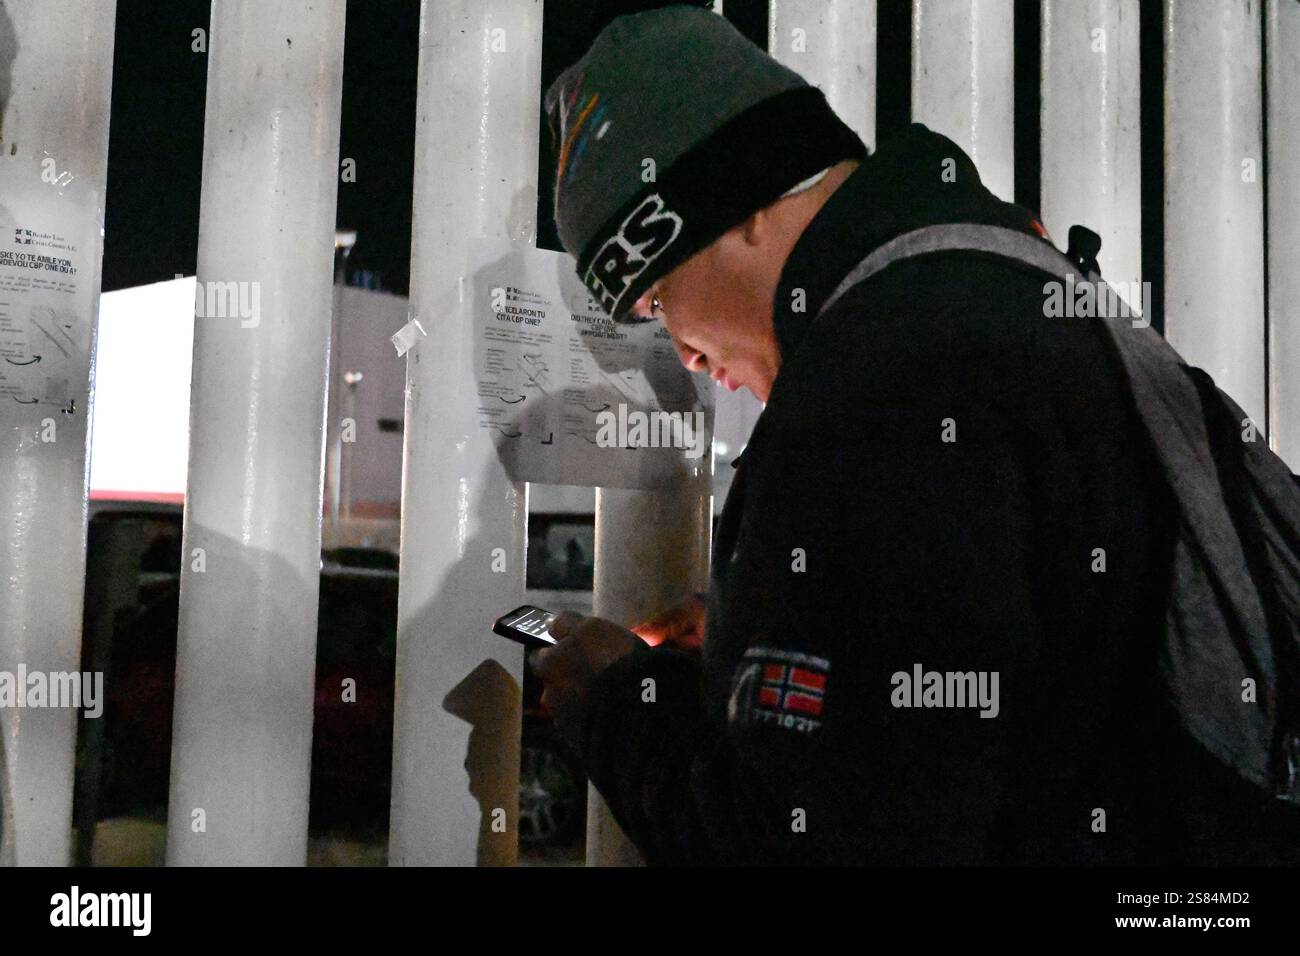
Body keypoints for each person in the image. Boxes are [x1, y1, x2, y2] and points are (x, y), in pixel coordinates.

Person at [532, 5, 1300, 865]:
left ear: (740, 209)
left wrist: (612, 705)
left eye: (651, 297)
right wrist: (776, 633)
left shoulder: (883, 383)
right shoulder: (1009, 283)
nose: (681, 351)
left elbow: (816, 842)